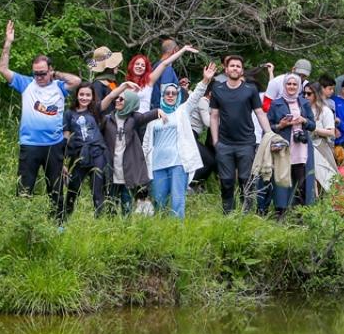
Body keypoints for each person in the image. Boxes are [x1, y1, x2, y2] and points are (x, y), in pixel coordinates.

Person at [0, 20, 81, 218]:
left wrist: (56, 74)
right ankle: (24, 224)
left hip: (54, 145)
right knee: (24, 188)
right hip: (30, 144)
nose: (39, 77)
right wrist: (8, 43)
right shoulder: (26, 84)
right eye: (36, 73)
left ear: (50, 70)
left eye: (42, 73)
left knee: (56, 187)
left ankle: (58, 224)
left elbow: (77, 81)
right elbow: (3, 69)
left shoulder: (59, 86)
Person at [143, 64, 214, 218]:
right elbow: (146, 144)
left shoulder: (182, 111)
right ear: (162, 96)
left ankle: (177, 231)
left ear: (177, 96)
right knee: (159, 200)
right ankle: (161, 232)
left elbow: (195, 97)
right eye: (167, 93)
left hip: (178, 163)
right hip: (157, 164)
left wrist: (205, 80)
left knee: (177, 199)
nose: (170, 95)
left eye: (173, 93)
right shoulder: (153, 116)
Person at [209, 56, 271, 213]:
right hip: (224, 143)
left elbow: (260, 113)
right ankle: (228, 214)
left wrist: (270, 134)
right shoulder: (218, 89)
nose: (235, 68)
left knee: (246, 180)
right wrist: (215, 141)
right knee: (226, 181)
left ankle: (246, 214)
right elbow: (214, 116)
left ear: (242, 70)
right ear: (226, 69)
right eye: (232, 66)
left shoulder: (250, 90)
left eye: (238, 66)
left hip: (246, 143)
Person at [62, 83, 124, 219]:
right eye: (82, 94)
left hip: (98, 153)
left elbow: (112, 96)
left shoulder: (95, 109)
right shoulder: (69, 113)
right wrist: (63, 162)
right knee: (73, 188)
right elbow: (66, 139)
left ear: (92, 97)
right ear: (77, 95)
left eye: (88, 95)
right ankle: (64, 221)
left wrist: (124, 85)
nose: (84, 97)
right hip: (79, 155)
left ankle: (100, 221)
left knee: (98, 189)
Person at [101, 87, 161, 215]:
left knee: (127, 206)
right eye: (117, 98)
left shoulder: (133, 119)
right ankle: (110, 232)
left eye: (121, 99)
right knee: (110, 206)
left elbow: (147, 116)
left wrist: (159, 111)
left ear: (130, 102)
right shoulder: (107, 119)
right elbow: (96, 112)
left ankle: (126, 230)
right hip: (111, 170)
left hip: (128, 172)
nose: (117, 100)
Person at [263, 74, 316, 217]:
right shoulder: (276, 103)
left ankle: (301, 215)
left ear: (298, 86)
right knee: (282, 181)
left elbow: (312, 125)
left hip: (302, 149)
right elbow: (267, 128)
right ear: (284, 86)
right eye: (289, 84)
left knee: (302, 182)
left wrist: (304, 120)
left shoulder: (304, 103)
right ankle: (280, 213)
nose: (291, 87)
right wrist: (281, 125)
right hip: (284, 149)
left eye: (294, 84)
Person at [305, 81, 337, 195]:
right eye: (304, 93)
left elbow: (331, 132)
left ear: (316, 94)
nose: (305, 96)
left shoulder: (325, 110)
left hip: (320, 146)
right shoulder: (302, 109)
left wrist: (313, 129)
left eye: (309, 94)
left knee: (325, 180)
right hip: (304, 147)